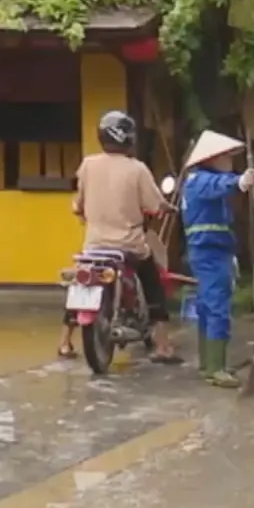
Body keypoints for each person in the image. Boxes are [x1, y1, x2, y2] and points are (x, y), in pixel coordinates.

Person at [59, 110, 179, 364]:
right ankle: (163, 345)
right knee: (153, 284)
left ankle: (65, 342)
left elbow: (78, 203)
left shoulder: (88, 165)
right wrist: (166, 207)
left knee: (79, 283)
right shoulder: (137, 169)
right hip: (128, 246)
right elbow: (155, 204)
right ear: (129, 138)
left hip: (94, 246)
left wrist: (82, 210)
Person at [178, 129, 254, 386]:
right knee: (216, 308)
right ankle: (216, 368)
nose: (230, 161)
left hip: (214, 251)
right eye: (225, 157)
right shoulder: (200, 180)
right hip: (209, 252)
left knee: (207, 306)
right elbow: (220, 185)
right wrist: (239, 182)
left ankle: (209, 364)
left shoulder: (199, 181)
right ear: (212, 158)